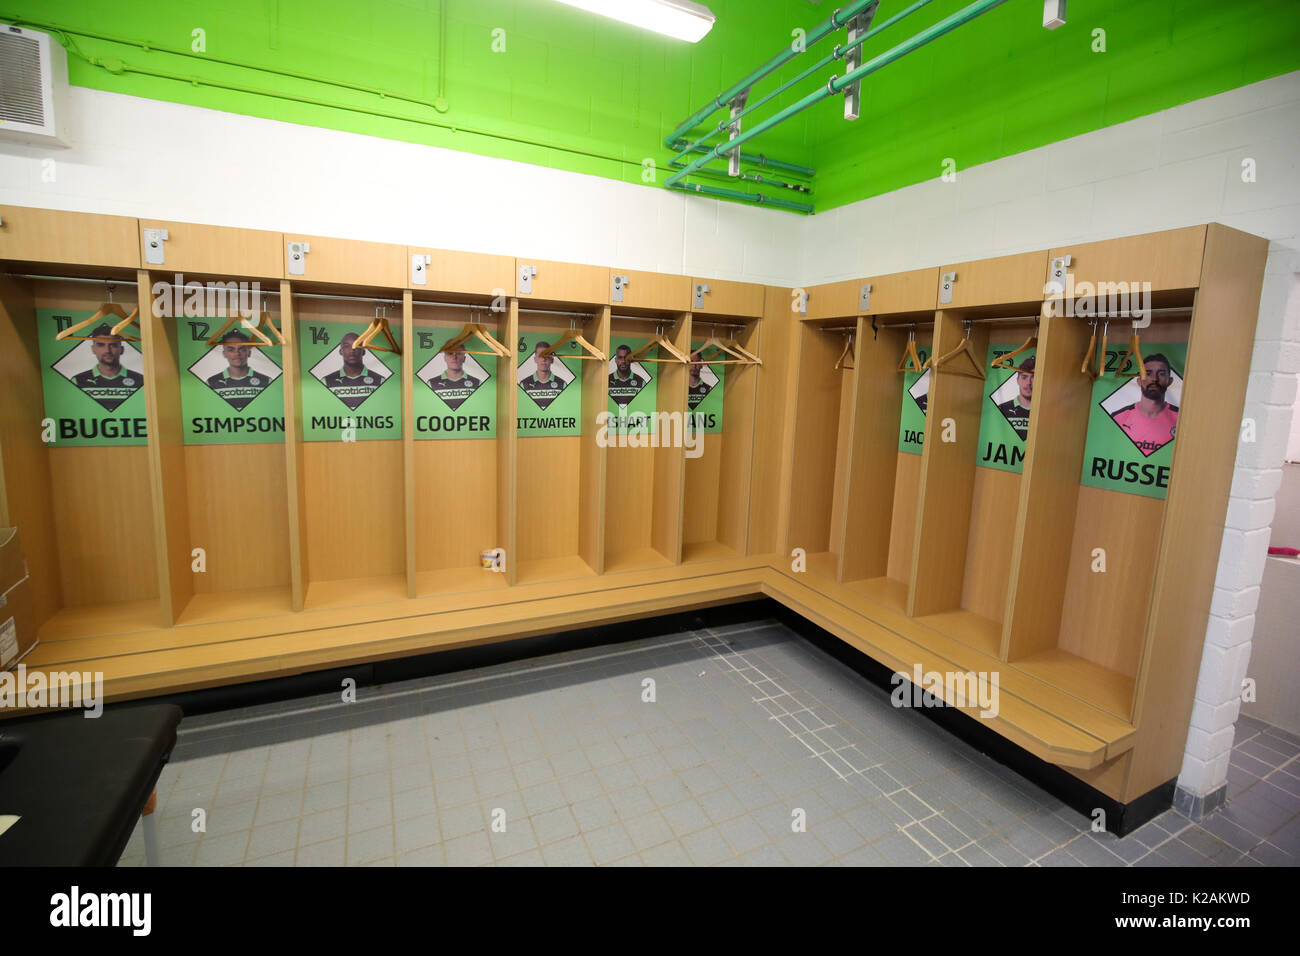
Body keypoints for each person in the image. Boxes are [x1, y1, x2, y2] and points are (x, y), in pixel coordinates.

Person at [1111, 353, 1179, 457]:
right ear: (1139, 381)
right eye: (1148, 373)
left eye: (1161, 374)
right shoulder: (1118, 418)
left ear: (1169, 381)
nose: (1154, 379)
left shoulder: (1182, 420)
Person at [71, 324, 143, 411]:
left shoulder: (141, 381)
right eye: (101, 345)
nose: (107, 350)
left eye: (113, 345)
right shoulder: (77, 381)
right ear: (93, 349)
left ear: (122, 349)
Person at [206, 330, 273, 411]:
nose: (237, 354)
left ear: (249, 353)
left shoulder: (267, 381)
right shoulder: (211, 383)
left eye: (242, 349)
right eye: (231, 350)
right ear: (224, 353)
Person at [322, 332, 386, 410]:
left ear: (363, 351)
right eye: (346, 346)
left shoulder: (380, 381)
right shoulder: (326, 382)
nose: (352, 350)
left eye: (357, 345)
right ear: (340, 351)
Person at [518, 341, 567, 410]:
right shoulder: (523, 384)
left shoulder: (562, 384)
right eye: (540, 355)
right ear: (535, 359)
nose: (544, 359)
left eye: (546, 355)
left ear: (552, 359)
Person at [995, 354, 1034, 440]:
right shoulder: (1002, 408)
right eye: (1024, 377)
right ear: (1017, 380)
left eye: (1033, 377)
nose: (1028, 383)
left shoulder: (1047, 412)